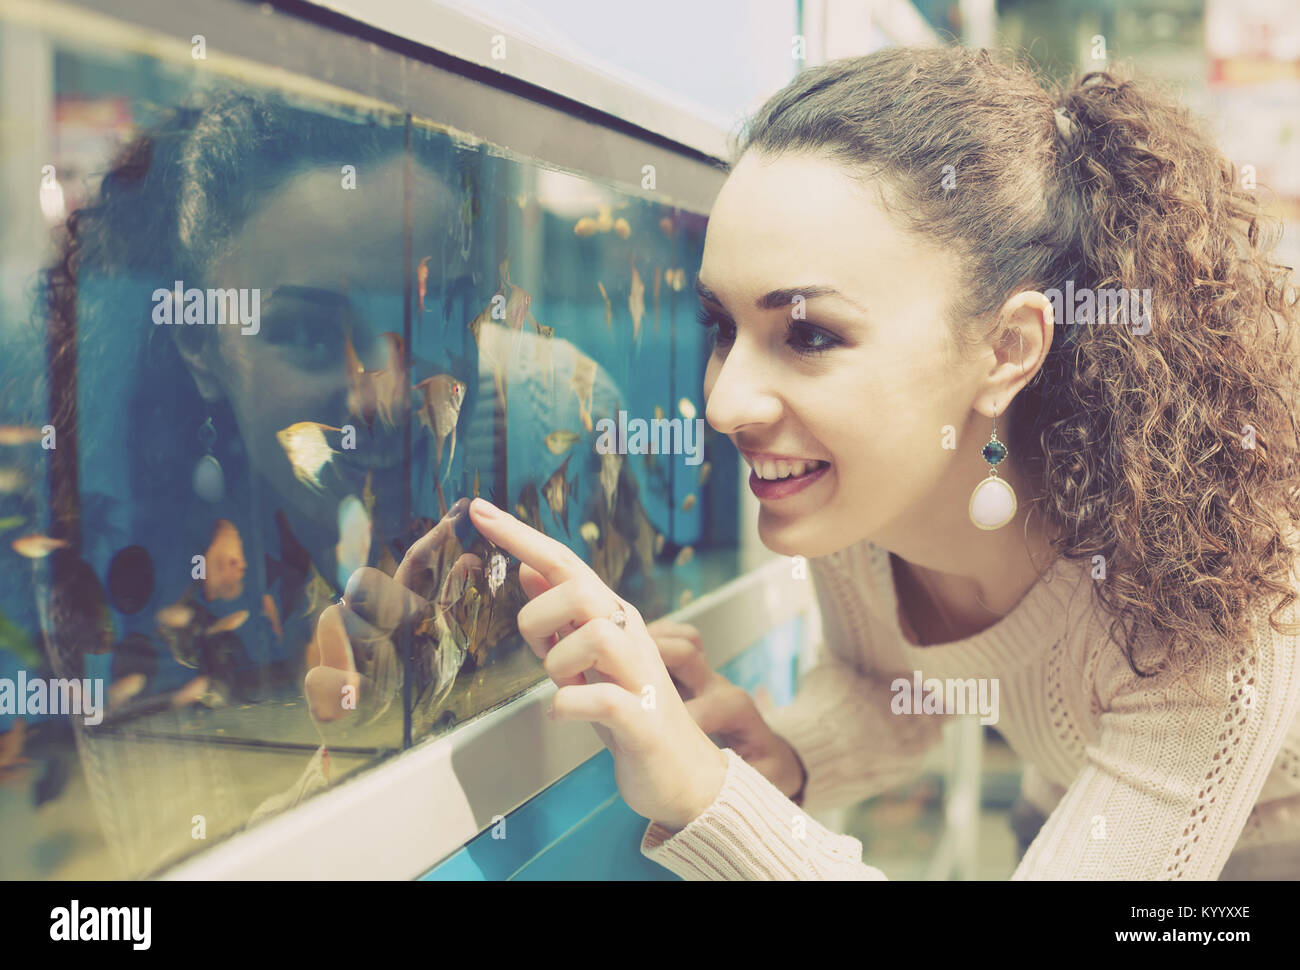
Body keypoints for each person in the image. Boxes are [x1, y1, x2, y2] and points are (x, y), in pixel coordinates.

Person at [326, 45, 1300, 880]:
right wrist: (780, 750)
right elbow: (895, 685)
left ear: (1006, 350)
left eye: (811, 335)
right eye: (719, 326)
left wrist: (711, 798)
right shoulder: (861, 505)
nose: (721, 405)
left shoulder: (1210, 603)